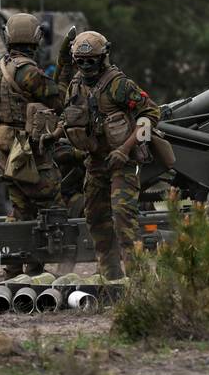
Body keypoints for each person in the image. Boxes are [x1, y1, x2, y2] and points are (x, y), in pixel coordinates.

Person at [59, 31, 161, 280]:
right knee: (96, 219)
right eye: (80, 61)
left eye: (90, 61)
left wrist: (125, 149)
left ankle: (138, 280)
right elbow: (69, 117)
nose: (85, 66)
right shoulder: (75, 86)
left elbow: (151, 115)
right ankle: (111, 277)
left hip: (123, 164)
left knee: (123, 218)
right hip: (94, 164)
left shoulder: (119, 85)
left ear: (103, 58)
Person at [0, 13, 66, 224]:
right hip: (31, 153)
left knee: (21, 211)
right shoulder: (27, 71)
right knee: (54, 208)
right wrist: (65, 68)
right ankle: (63, 254)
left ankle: (20, 254)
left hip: (7, 152)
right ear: (37, 38)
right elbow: (59, 101)